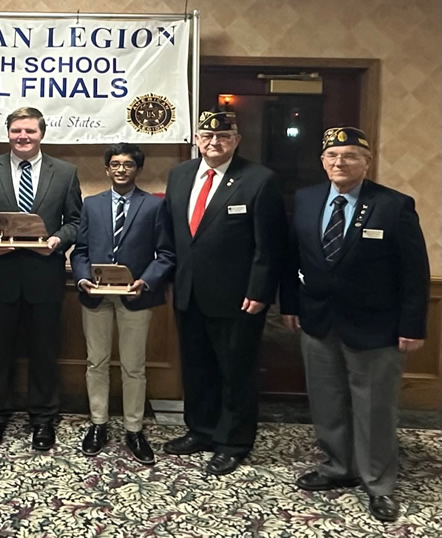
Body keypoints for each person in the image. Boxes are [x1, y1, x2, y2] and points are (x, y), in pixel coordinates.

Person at [280, 127, 429, 522]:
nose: (339, 163)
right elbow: (293, 258)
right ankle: (337, 467)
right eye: (332, 156)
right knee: (327, 402)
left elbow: (414, 272)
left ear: (367, 161)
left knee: (374, 408)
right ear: (323, 161)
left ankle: (377, 483)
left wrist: (412, 325)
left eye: (349, 156)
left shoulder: (393, 205)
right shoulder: (307, 200)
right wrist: (291, 304)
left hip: (376, 326)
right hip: (318, 322)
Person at [162, 109, 287, 475]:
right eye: (207, 136)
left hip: (239, 297)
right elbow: (175, 235)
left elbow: (271, 244)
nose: (214, 143)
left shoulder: (259, 180)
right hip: (189, 293)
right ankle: (200, 430)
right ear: (197, 139)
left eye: (224, 137)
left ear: (236, 140)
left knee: (236, 371)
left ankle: (233, 441)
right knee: (197, 367)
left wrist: (261, 289)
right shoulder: (180, 175)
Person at [0, 106, 82, 450]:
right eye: (17, 130)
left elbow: (75, 220)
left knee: (44, 352)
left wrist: (58, 240)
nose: (23, 137)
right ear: (8, 133)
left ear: (41, 133)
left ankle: (43, 419)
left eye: (29, 130)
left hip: (44, 275)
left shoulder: (65, 172)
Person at [70, 143, 174, 465]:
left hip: (135, 297)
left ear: (138, 170)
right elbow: (81, 251)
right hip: (96, 295)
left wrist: (146, 280)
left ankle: (134, 428)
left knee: (134, 367)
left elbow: (167, 254)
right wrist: (82, 276)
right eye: (114, 164)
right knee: (96, 362)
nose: (120, 169)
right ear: (106, 169)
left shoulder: (155, 206)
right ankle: (98, 424)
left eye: (128, 164)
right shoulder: (92, 205)